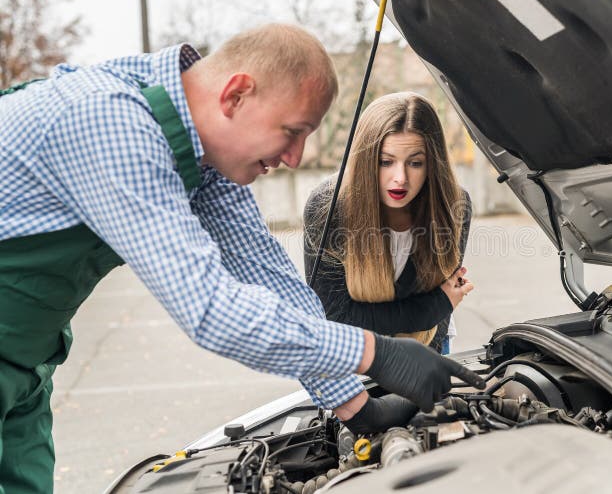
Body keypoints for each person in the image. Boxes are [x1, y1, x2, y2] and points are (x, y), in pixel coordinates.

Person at [0, 24, 482, 494]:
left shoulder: (205, 155)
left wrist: (359, 407)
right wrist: (379, 353)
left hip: (24, 368)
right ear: (235, 95)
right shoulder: (112, 125)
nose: (294, 158)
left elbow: (275, 284)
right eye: (291, 132)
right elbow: (212, 310)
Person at [304, 92, 474, 354]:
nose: (400, 178)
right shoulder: (327, 207)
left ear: (433, 164)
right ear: (365, 161)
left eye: (416, 163)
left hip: (429, 348)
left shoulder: (455, 204)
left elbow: (441, 310)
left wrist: (436, 309)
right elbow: (334, 317)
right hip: (352, 356)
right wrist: (432, 308)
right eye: (385, 162)